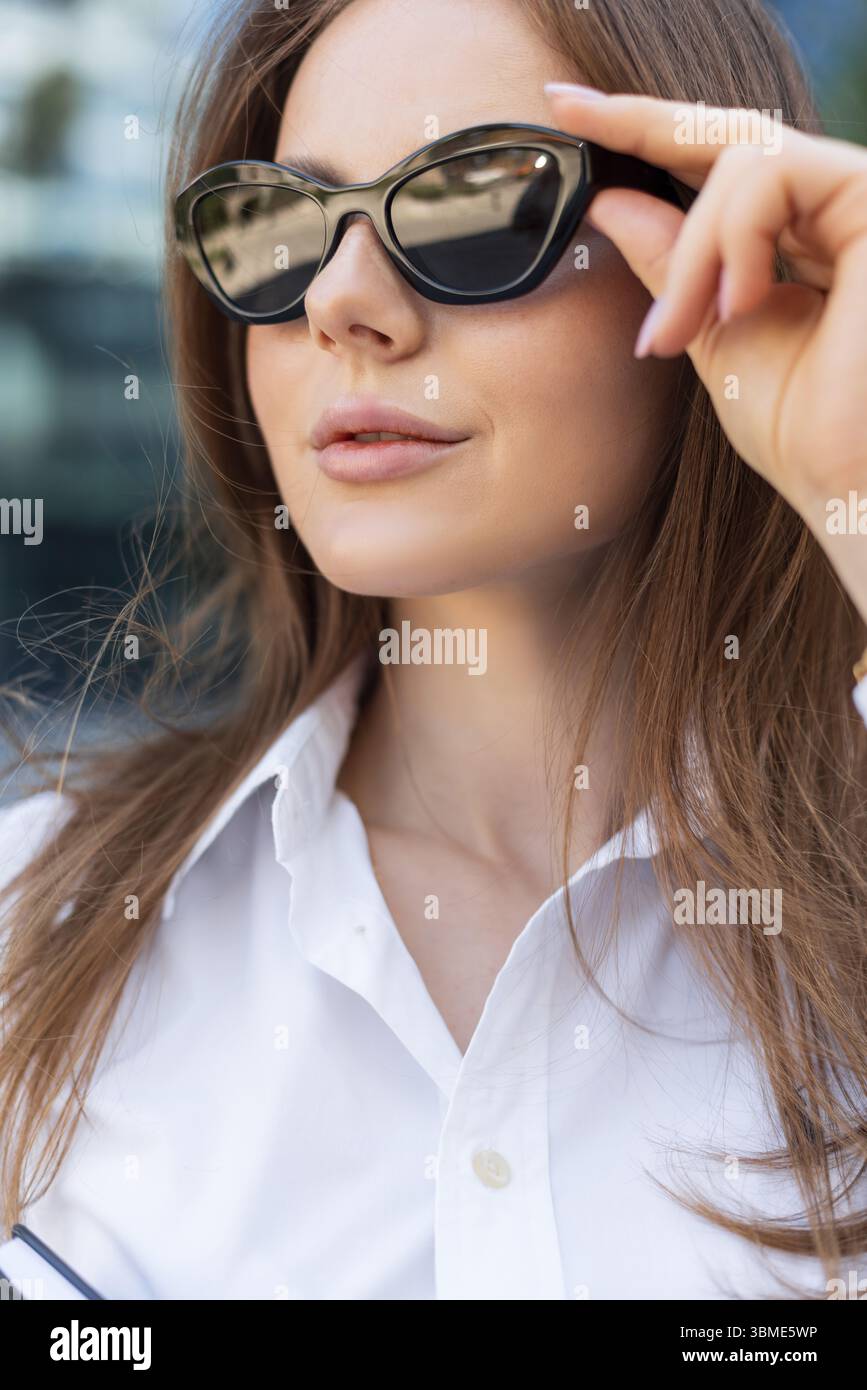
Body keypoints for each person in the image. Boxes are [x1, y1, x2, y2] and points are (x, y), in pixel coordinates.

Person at [1, 0, 866, 1300]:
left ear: (720, 249)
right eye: (281, 227)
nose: (345, 304)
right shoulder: (34, 915)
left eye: (473, 206)